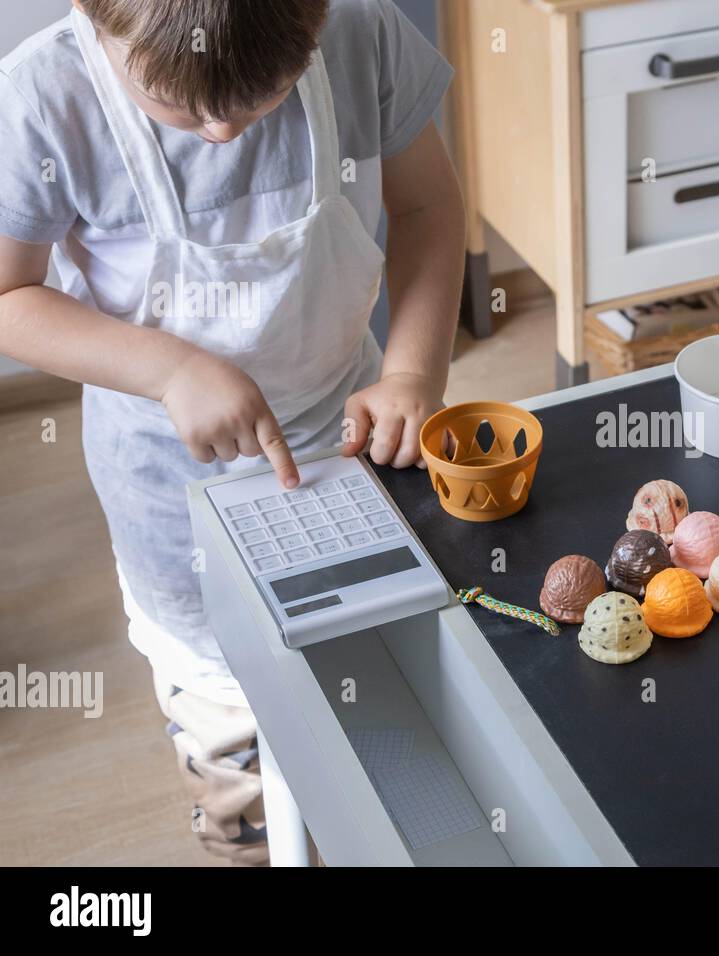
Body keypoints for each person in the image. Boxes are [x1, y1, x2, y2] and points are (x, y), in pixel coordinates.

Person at [0, 0, 464, 864]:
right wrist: (167, 368)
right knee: (236, 745)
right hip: (172, 494)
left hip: (352, 448)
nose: (218, 131)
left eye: (258, 100)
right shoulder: (41, 100)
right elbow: (8, 297)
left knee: (378, 710)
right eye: (182, 106)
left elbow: (431, 210)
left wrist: (411, 375)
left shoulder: (361, 36)